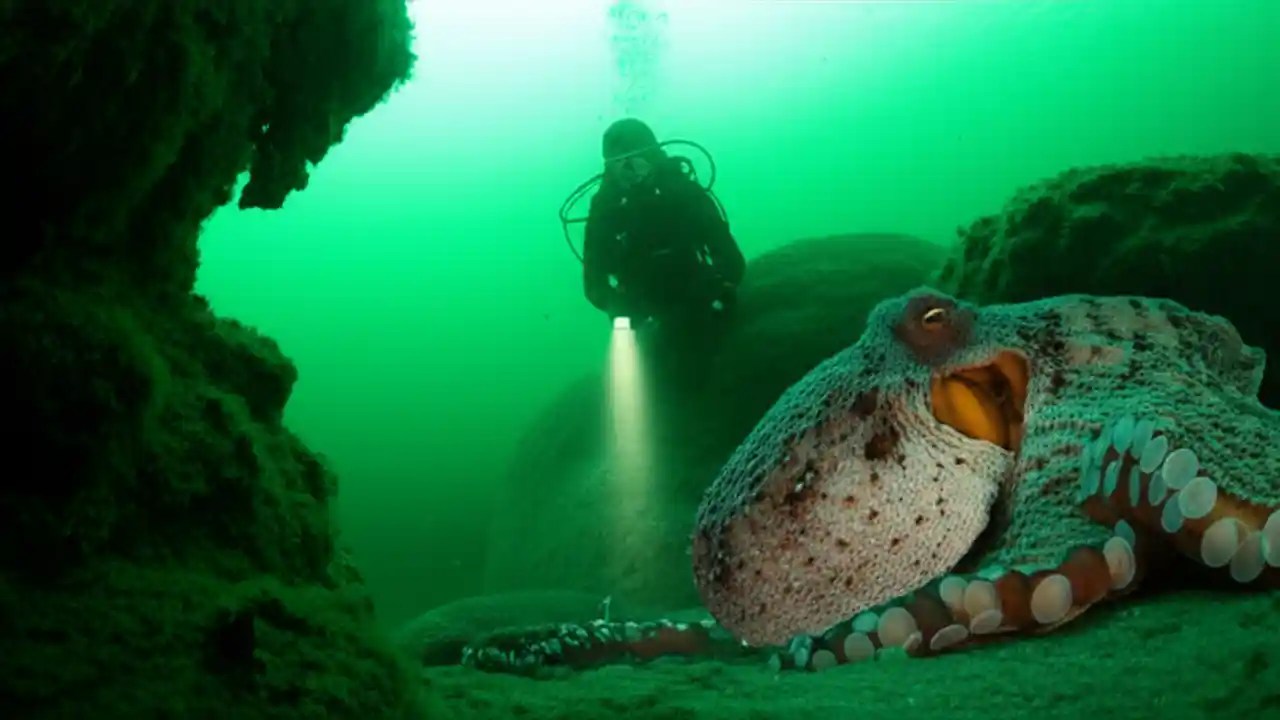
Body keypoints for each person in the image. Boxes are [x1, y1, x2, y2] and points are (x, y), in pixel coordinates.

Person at [582, 118, 745, 330]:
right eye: (620, 165)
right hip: (640, 304)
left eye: (636, 161)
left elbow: (728, 255)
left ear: (653, 157)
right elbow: (593, 281)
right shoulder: (606, 208)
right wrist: (615, 305)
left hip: (697, 289)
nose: (630, 171)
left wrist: (721, 284)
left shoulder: (682, 191)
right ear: (609, 169)